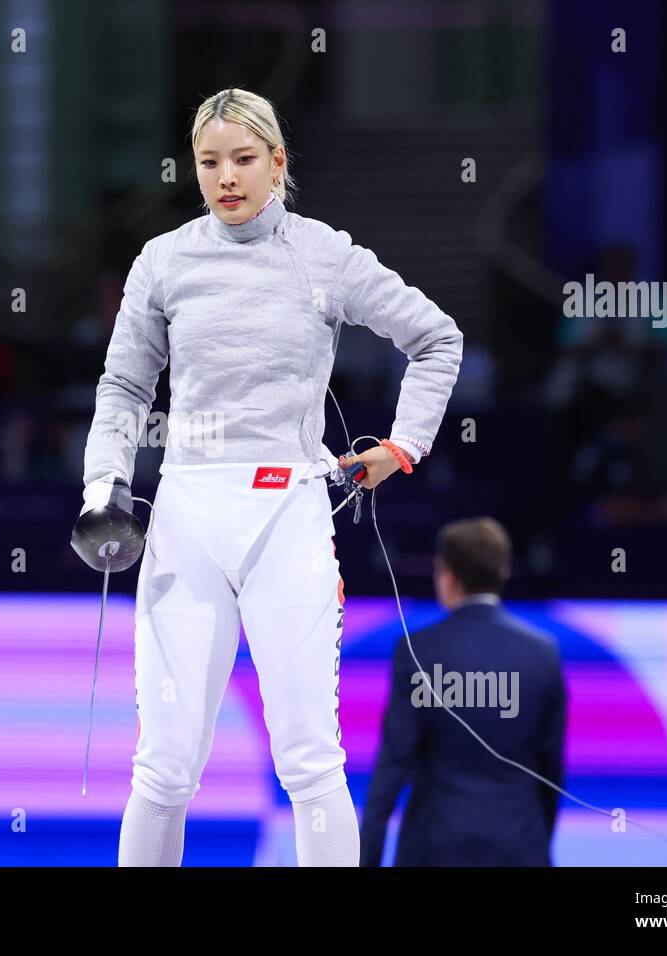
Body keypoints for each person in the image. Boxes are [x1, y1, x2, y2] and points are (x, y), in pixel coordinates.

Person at [80, 88, 463, 866]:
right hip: (187, 515)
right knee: (163, 767)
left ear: (279, 163)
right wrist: (102, 489)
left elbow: (436, 338)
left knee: (310, 759)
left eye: (244, 160)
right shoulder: (164, 260)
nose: (226, 178)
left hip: (286, 514)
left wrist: (402, 446)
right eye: (210, 162)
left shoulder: (324, 253)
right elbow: (123, 388)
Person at [360, 517, 565, 866]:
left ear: (446, 574)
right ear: (504, 572)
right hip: (519, 847)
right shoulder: (543, 653)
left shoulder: (417, 650)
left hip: (435, 848)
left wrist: (367, 858)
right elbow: (551, 773)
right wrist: (536, 844)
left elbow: (393, 766)